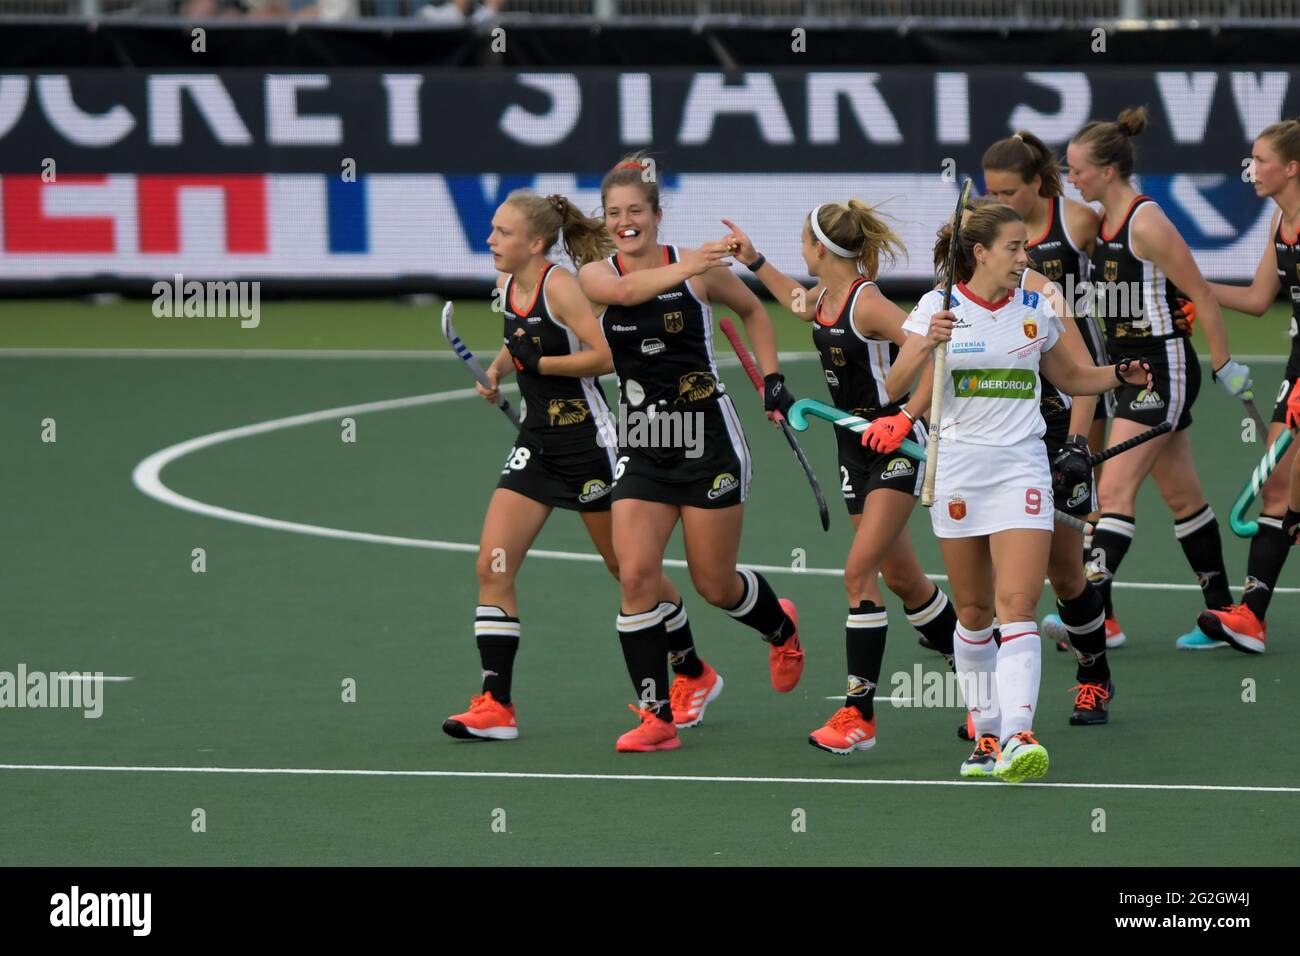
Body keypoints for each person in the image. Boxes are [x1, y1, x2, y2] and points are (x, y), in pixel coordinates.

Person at [886, 202, 1152, 781]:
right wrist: (925, 342)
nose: (1024, 258)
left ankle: (1018, 734)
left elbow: (1072, 378)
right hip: (957, 471)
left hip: (1021, 470)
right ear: (979, 252)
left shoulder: (1036, 309)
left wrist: (1119, 375)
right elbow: (894, 384)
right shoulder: (936, 307)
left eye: (1025, 247)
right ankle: (984, 737)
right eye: (1013, 248)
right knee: (975, 612)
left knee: (1017, 606)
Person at [442, 191, 705, 741]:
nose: (490, 240)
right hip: (538, 444)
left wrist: (543, 364)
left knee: (631, 572)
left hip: (592, 444)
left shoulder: (561, 286)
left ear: (535, 243)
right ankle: (496, 704)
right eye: (491, 229)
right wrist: (496, 372)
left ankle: (691, 670)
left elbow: (605, 355)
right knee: (492, 567)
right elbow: (515, 341)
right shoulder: (505, 285)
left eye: (502, 232)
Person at [578, 155, 805, 753]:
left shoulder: (700, 272)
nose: (626, 222)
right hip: (643, 446)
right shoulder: (595, 276)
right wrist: (690, 266)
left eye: (636, 211)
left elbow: (754, 309)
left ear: (657, 214)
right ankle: (656, 718)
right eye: (614, 214)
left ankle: (779, 626)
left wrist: (773, 377)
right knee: (636, 576)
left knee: (713, 583)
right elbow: (626, 290)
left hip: (708, 443)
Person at [720, 202, 960, 755]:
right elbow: (795, 302)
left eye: (802, 242)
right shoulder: (824, 297)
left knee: (858, 575)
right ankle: (978, 664)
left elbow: (933, 355)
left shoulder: (868, 303)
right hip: (851, 449)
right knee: (905, 581)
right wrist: (754, 259)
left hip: (896, 446)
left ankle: (858, 714)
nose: (799, 252)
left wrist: (906, 416)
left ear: (820, 249)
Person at [1066, 107, 1254, 646]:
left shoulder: (1145, 222)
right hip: (1127, 370)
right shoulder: (1099, 221)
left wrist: (1224, 366)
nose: (1072, 177)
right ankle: (1223, 615)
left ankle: (1092, 617)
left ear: (1107, 170)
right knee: (1183, 497)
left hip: (1160, 371)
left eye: (1078, 169)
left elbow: (1202, 294)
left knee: (1116, 487)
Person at [1187, 118, 1300, 653]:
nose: (1251, 168)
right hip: (1297, 365)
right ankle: (1251, 617)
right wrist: (1192, 286)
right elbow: (1258, 300)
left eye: (1260, 159)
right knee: (1279, 486)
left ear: (1292, 167)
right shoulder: (1281, 221)